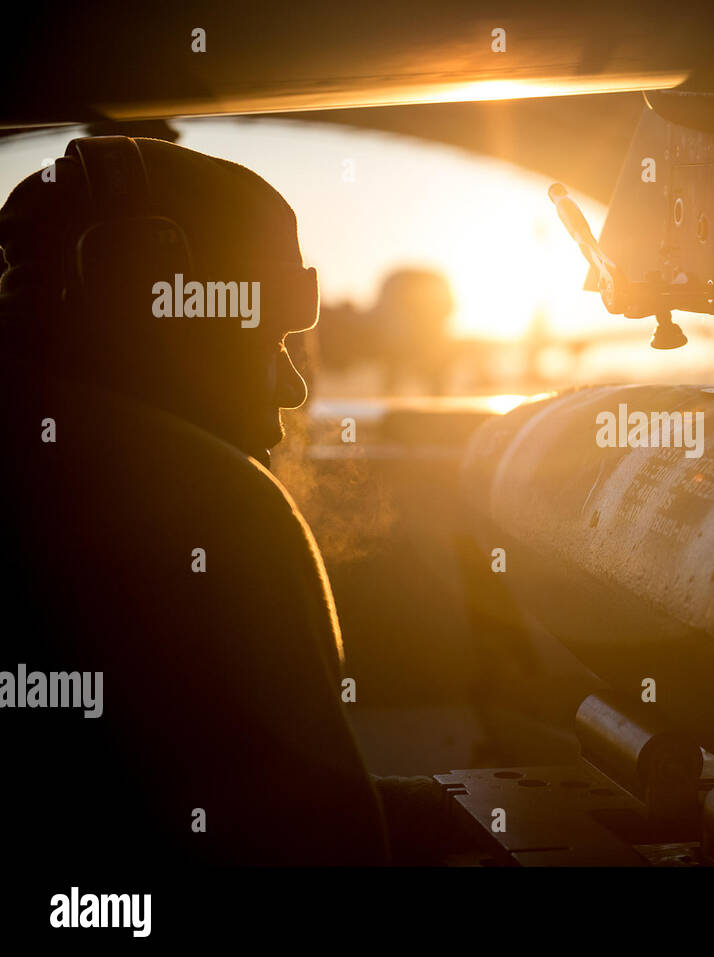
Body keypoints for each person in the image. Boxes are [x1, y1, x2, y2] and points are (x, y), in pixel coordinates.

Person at [0, 135, 435, 865]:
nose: (294, 387)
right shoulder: (215, 510)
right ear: (154, 300)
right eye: (268, 339)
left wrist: (412, 810)